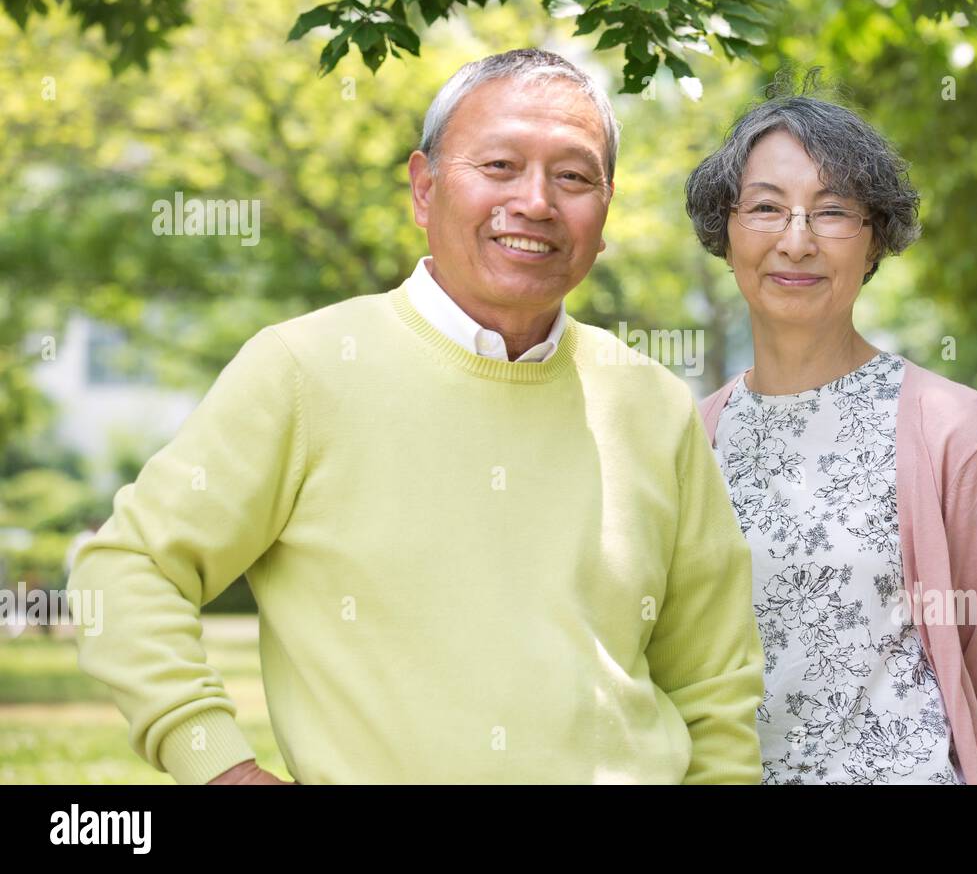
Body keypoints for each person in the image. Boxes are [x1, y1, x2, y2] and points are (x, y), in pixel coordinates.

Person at [70, 48, 765, 784]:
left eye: (572, 176)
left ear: (605, 210)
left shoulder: (651, 404)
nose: (535, 202)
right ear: (424, 188)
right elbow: (124, 570)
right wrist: (216, 763)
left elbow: (714, 685)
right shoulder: (304, 370)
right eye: (499, 166)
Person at [688, 76, 977, 784]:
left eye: (833, 212)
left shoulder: (947, 425)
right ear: (726, 233)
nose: (797, 240)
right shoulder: (695, 438)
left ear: (874, 240)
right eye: (765, 208)